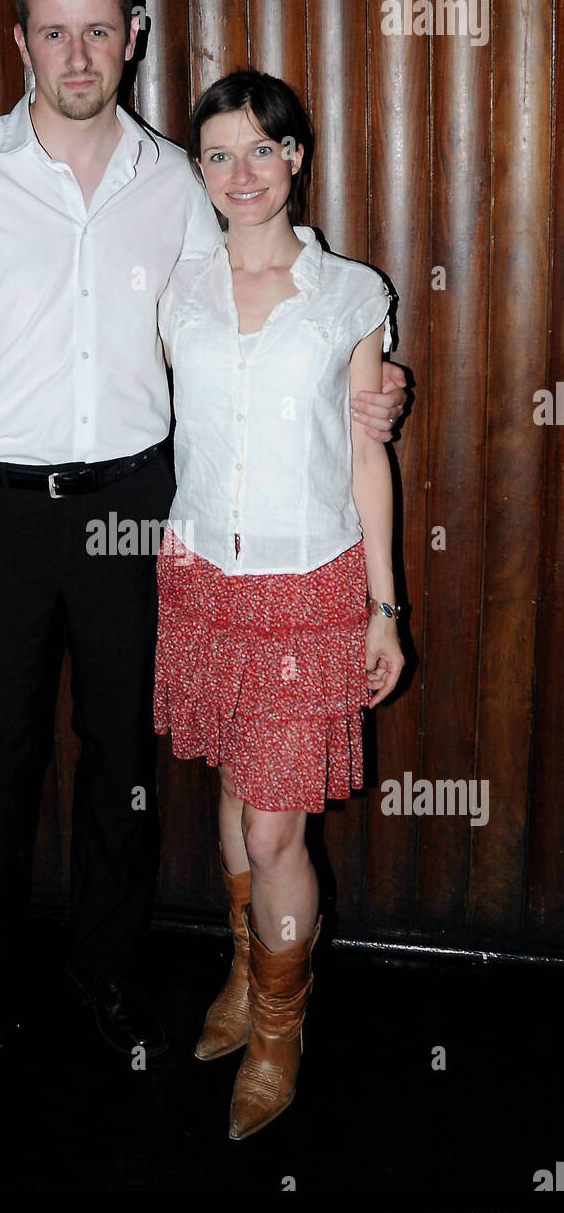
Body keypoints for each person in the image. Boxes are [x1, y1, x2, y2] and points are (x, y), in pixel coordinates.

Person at [0, 0, 407, 1085]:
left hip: (134, 512)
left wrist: (369, 384)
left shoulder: (179, 178)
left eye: (100, 28)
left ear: (136, 34)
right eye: (55, 29)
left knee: (121, 760)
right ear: (20, 39)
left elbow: (256, 321)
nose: (79, 52)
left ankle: (108, 976)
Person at [150, 70, 405, 1139]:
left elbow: (365, 449)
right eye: (217, 153)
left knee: (273, 822)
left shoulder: (352, 293)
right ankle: (245, 973)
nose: (240, 173)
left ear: (296, 156)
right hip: (203, 572)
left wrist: (382, 606)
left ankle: (278, 1025)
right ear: (198, 169)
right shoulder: (173, 286)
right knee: (229, 785)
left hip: (311, 585)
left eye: (262, 149)